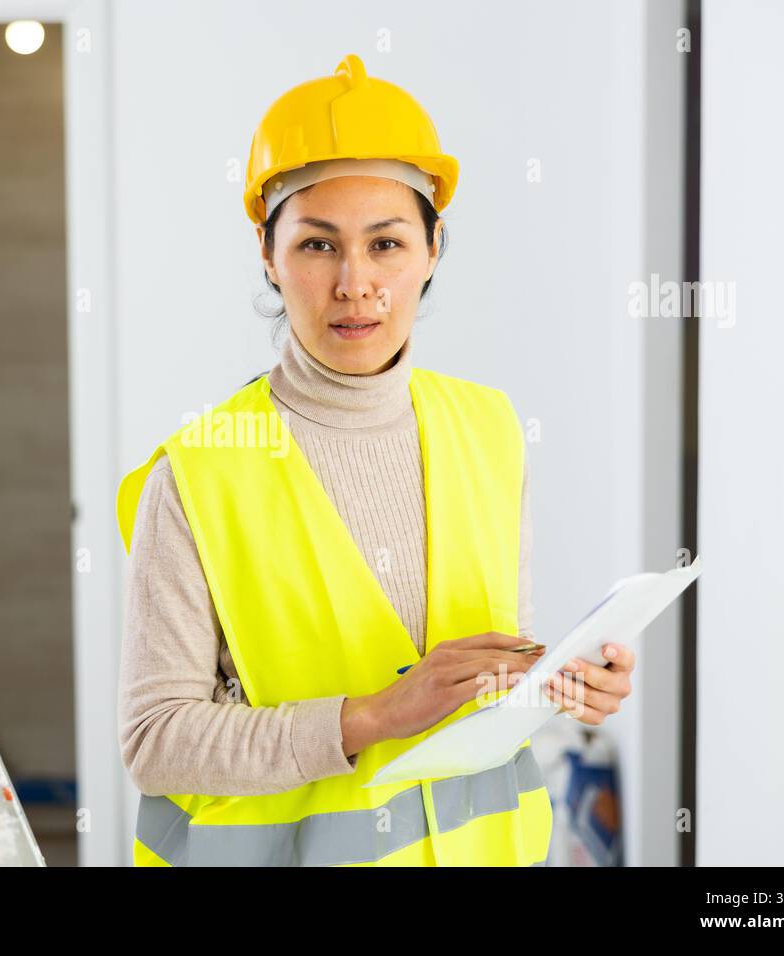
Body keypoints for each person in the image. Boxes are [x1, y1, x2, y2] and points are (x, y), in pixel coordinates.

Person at [115, 53, 636, 867]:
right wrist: (372, 716)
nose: (355, 284)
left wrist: (559, 686)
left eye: (386, 243)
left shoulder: (488, 426)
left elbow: (490, 674)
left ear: (432, 248)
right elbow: (155, 742)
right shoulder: (198, 473)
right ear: (268, 252)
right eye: (318, 244)